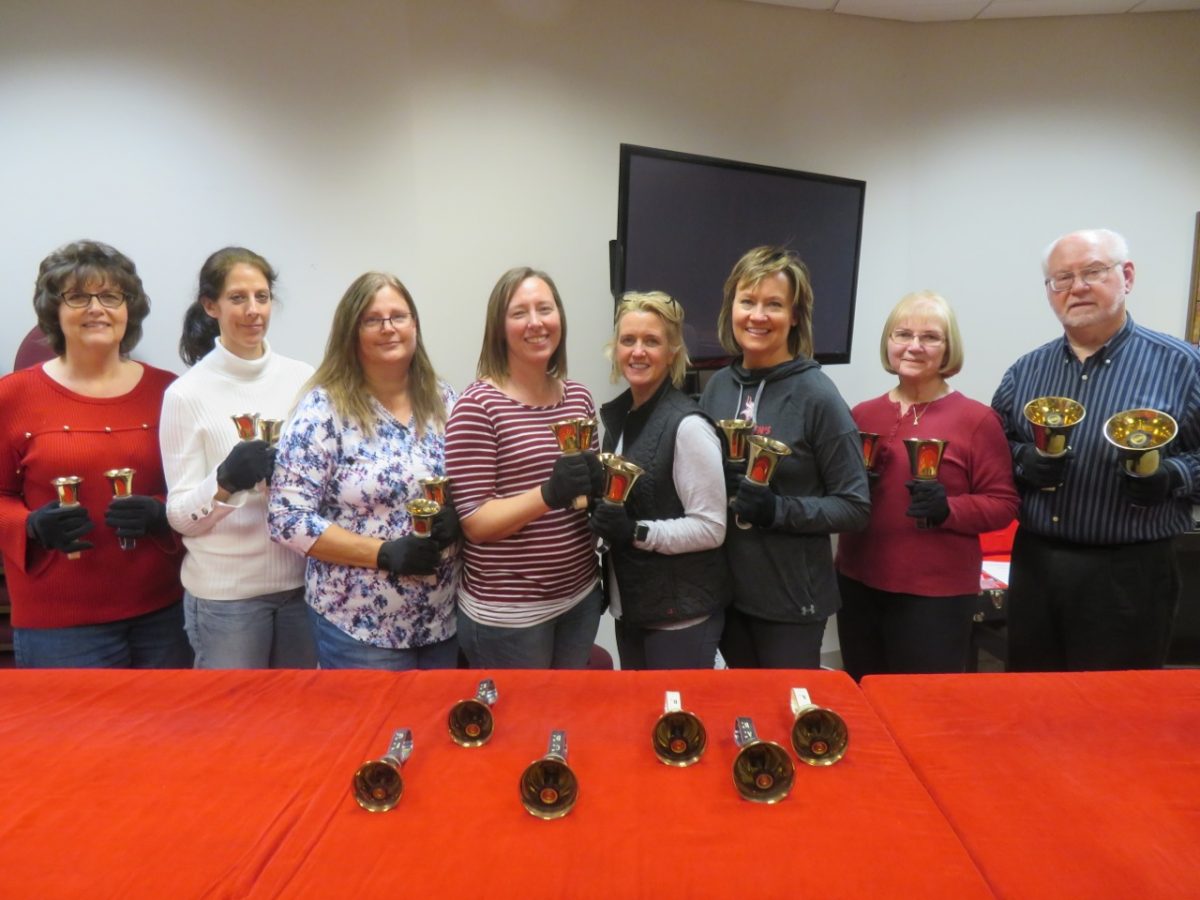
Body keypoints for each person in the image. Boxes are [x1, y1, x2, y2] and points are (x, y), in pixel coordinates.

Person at [992, 228, 1200, 671]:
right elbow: (992, 449)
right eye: (1061, 278)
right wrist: (1021, 460)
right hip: (1036, 564)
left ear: (1127, 276)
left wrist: (1174, 477)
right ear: (1049, 292)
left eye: (1093, 272)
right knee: (1030, 703)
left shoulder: (1184, 366)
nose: (1077, 287)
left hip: (1131, 575)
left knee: (1113, 715)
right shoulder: (1025, 370)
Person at [0, 240, 191, 668]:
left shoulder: (171, 393)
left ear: (129, 309)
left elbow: (193, 487)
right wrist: (28, 525)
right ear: (54, 310)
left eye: (110, 296)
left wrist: (162, 512)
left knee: (170, 736)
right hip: (60, 625)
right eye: (78, 296)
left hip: (165, 613)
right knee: (74, 739)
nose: (96, 308)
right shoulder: (12, 396)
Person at [267, 272, 459, 669]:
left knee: (434, 731)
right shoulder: (322, 411)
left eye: (399, 316)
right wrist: (384, 554)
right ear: (351, 332)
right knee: (375, 733)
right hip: (360, 630)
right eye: (373, 320)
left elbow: (464, 481)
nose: (389, 328)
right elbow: (287, 519)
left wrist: (456, 515)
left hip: (442, 620)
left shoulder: (444, 400)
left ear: (415, 325)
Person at [699, 246, 870, 669]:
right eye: (748, 302)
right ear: (732, 308)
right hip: (727, 593)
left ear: (795, 316)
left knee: (787, 716)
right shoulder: (718, 386)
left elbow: (854, 506)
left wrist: (779, 509)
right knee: (742, 714)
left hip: (792, 601)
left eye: (773, 304)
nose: (758, 316)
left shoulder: (818, 395)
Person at [835, 291, 1019, 678]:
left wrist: (948, 508)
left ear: (948, 348)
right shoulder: (862, 414)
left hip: (936, 595)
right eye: (902, 334)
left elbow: (1003, 503)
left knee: (921, 705)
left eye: (930, 337)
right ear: (888, 342)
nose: (914, 346)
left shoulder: (976, 419)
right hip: (858, 582)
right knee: (862, 689)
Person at [160, 247, 317, 669]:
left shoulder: (304, 379)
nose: (252, 311)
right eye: (237, 298)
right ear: (210, 306)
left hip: (302, 588)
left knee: (301, 720)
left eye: (261, 297)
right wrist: (225, 481)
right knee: (235, 725)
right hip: (227, 598)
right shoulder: (186, 395)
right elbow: (178, 515)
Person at [444, 267, 603, 668]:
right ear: (499, 328)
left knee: (564, 719)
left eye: (545, 309)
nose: (535, 323)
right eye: (519, 313)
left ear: (560, 319)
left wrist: (601, 491)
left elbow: (585, 501)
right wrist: (549, 494)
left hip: (580, 597)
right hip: (509, 615)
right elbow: (476, 522)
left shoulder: (578, 399)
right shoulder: (478, 407)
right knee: (523, 729)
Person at [590, 292, 730, 669]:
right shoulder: (621, 418)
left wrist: (636, 532)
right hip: (632, 607)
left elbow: (711, 528)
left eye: (652, 341)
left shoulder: (688, 426)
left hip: (680, 619)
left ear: (672, 352)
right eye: (628, 340)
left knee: (674, 723)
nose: (638, 351)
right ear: (615, 349)